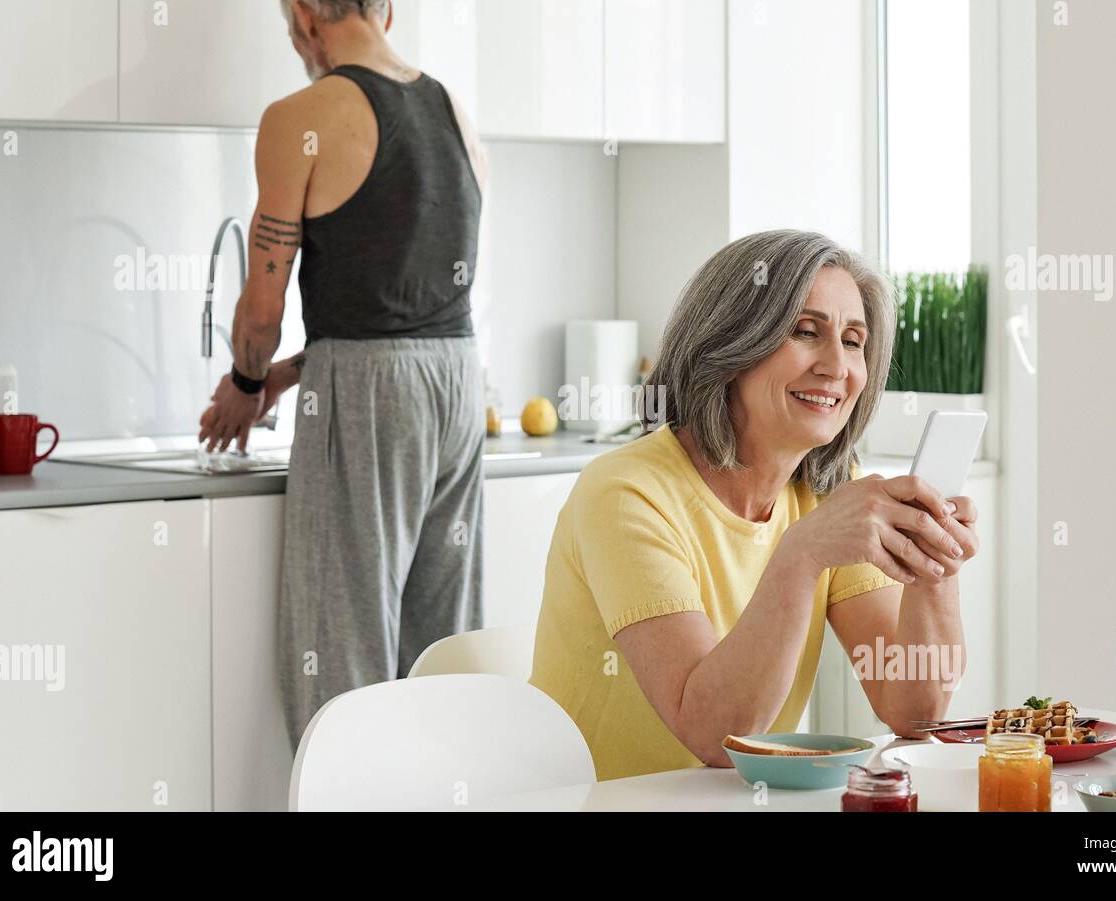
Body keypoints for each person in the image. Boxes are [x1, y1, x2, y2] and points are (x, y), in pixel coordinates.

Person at [529, 230, 979, 781]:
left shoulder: (828, 492)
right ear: (730, 345)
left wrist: (933, 566)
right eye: (805, 332)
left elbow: (913, 710)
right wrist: (801, 554)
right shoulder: (626, 493)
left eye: (856, 341)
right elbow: (716, 738)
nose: (838, 366)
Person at [198, 0, 488, 750]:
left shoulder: (302, 115)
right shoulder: (453, 109)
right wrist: (290, 376)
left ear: (301, 13)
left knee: (341, 653)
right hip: (458, 381)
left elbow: (263, 309)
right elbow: (403, 307)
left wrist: (244, 376)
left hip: (366, 395)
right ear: (386, 9)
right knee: (442, 654)